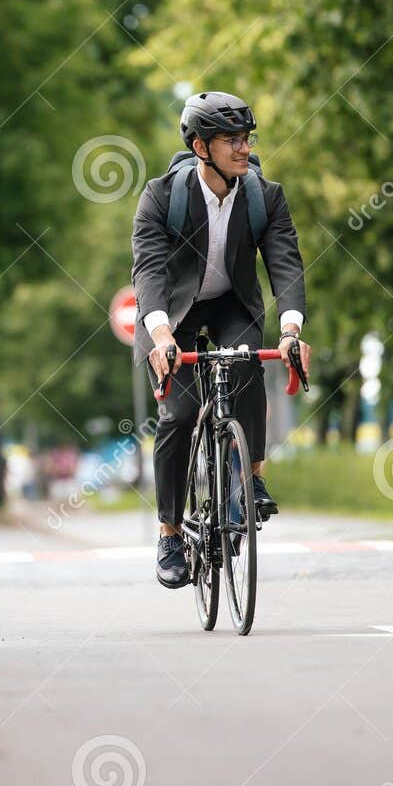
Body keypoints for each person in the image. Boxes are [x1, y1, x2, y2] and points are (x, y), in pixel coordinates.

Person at [130, 91, 311, 588]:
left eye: (247, 138)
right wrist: (162, 335)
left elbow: (285, 263)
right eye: (231, 140)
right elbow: (148, 272)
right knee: (180, 415)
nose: (243, 148)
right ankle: (169, 533)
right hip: (172, 315)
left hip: (232, 303)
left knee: (249, 365)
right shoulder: (161, 197)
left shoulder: (264, 196)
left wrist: (291, 329)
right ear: (200, 146)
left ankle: (251, 477)